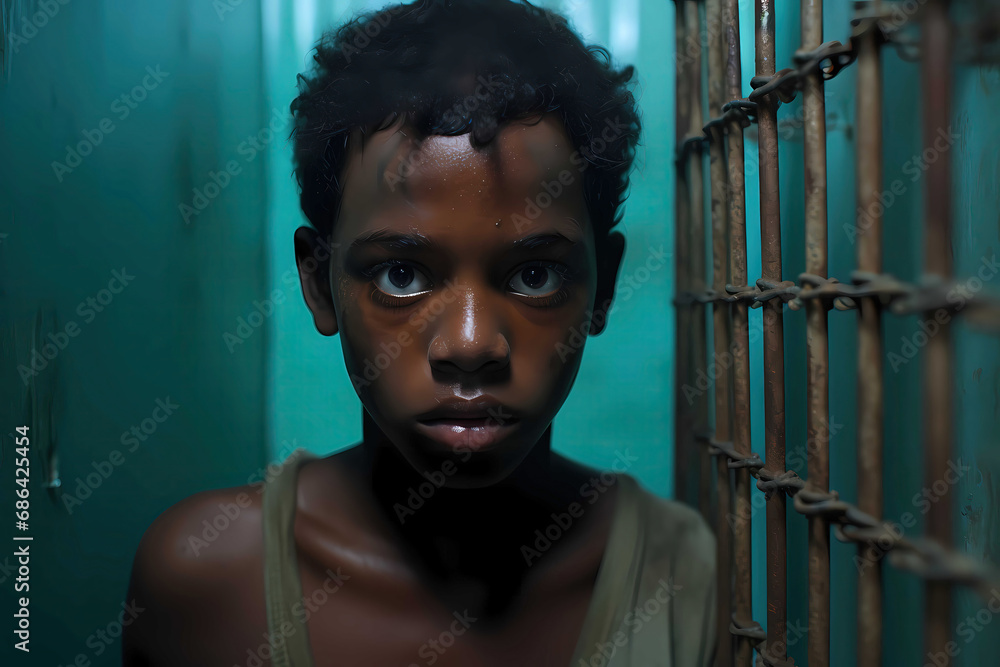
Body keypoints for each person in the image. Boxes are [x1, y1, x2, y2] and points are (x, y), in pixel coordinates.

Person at [122, 1, 716, 665]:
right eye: (402, 274)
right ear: (320, 285)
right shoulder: (201, 580)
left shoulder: (686, 579)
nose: (469, 344)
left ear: (602, 287)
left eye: (534, 276)